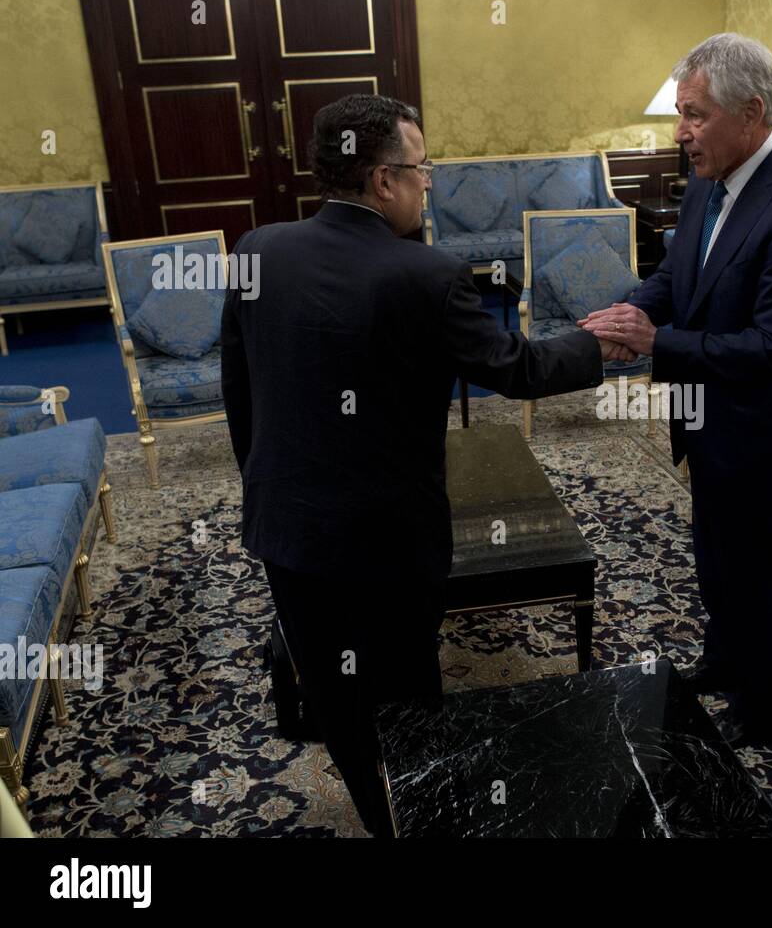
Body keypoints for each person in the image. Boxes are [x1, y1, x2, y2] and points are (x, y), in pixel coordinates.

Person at [221, 93, 631, 835]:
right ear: (383, 180)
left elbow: (239, 393)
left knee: (334, 692)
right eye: (421, 169)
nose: (429, 183)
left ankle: (379, 818)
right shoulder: (429, 274)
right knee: (409, 686)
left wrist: (265, 482)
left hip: (287, 531)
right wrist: (604, 344)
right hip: (390, 542)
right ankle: (427, 813)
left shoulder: (255, 250)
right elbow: (517, 368)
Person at [580, 33, 772, 747]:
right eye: (680, 112)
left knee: (754, 575)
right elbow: (675, 280)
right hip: (709, 422)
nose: (680, 130)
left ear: (750, 113)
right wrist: (631, 311)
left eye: (694, 114)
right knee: (715, 559)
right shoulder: (706, 180)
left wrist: (654, 340)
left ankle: (762, 711)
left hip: (764, 434)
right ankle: (725, 665)